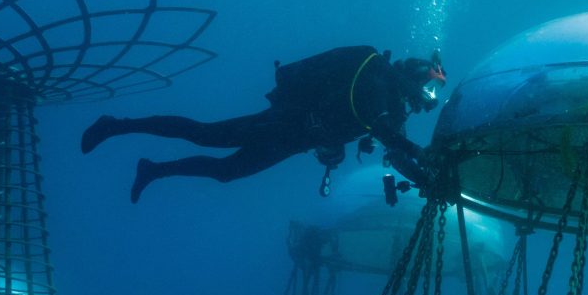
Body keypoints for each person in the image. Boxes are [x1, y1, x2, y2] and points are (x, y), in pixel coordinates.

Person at [81, 46, 445, 202]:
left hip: (294, 140)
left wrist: (425, 176)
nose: (426, 100)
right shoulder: (378, 84)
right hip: (285, 123)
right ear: (413, 79)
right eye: (427, 89)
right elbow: (382, 129)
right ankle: (115, 125)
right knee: (204, 134)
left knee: (227, 172)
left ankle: (153, 170)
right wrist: (419, 153)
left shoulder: (395, 108)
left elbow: (392, 150)